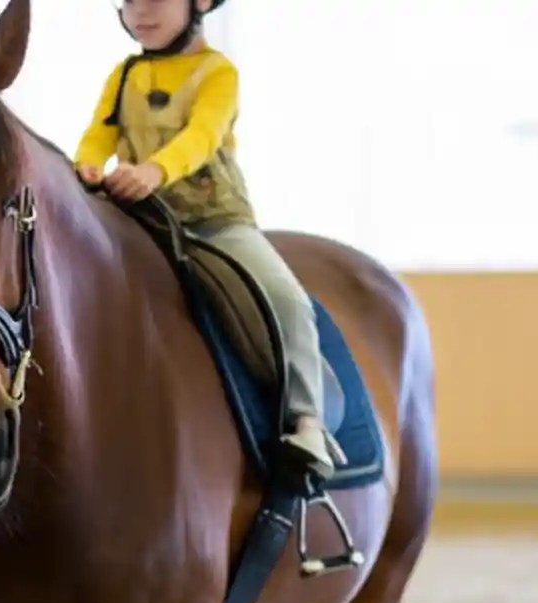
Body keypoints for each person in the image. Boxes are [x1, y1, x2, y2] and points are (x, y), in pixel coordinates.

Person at [73, 0, 346, 479]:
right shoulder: (122, 76)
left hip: (213, 223)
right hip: (142, 222)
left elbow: (202, 136)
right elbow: (100, 132)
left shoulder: (217, 73)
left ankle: (306, 418)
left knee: (284, 298)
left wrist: (155, 170)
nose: (140, 11)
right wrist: (88, 165)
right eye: (129, 1)